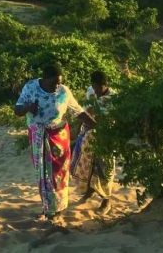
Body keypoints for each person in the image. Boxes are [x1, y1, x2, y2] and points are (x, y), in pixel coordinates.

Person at [14, 65, 96, 222]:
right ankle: (47, 207)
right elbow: (17, 110)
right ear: (44, 79)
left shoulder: (63, 92)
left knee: (59, 172)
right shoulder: (31, 87)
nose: (56, 86)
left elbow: (78, 111)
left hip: (58, 135)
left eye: (59, 83)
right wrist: (28, 107)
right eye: (53, 83)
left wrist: (96, 126)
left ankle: (58, 209)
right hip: (38, 135)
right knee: (44, 173)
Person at [70, 70, 116, 214]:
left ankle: (106, 200)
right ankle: (89, 190)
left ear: (105, 85)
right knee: (83, 162)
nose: (96, 91)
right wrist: (78, 128)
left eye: (98, 88)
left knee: (104, 167)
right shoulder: (90, 91)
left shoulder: (114, 98)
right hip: (86, 133)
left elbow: (113, 120)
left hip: (104, 136)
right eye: (94, 87)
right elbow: (84, 112)